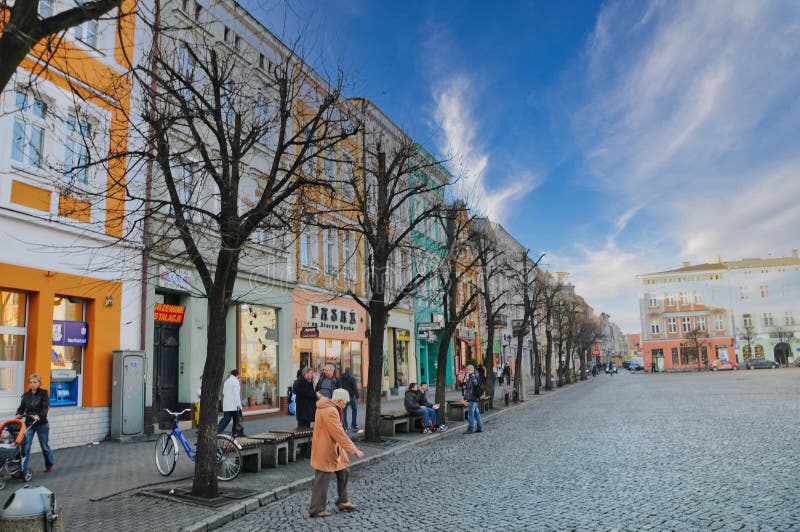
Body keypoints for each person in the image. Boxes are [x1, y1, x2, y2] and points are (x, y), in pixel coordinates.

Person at [308, 388, 364, 518]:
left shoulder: (327, 407)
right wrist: (354, 450)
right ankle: (316, 509)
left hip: (333, 448)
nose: (344, 406)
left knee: (344, 471)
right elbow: (339, 434)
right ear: (339, 401)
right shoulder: (331, 411)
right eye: (344, 403)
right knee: (321, 480)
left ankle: (342, 501)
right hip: (326, 449)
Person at [15, 373, 54, 476]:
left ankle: (49, 465)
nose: (32, 384)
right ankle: (23, 469)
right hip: (29, 423)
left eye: (35, 382)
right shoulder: (26, 395)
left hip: (41, 423)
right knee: (26, 447)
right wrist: (18, 414)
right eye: (31, 382)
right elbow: (21, 407)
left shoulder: (44, 393)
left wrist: (39, 416)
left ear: (39, 383)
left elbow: (46, 408)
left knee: (44, 446)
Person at [217, 369, 243, 435]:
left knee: (226, 419)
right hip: (234, 405)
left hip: (226, 405)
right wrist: (239, 405)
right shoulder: (236, 381)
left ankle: (217, 431)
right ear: (237, 375)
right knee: (237, 420)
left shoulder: (226, 381)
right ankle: (236, 433)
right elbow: (236, 394)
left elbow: (223, 392)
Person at [461, 365, 484, 434]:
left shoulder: (473, 376)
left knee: (470, 413)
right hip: (474, 398)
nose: (467, 371)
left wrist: (472, 376)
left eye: (468, 370)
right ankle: (480, 427)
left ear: (471, 370)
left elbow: (473, 386)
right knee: (476, 413)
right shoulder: (472, 376)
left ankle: (470, 428)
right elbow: (469, 389)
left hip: (472, 398)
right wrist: (465, 398)